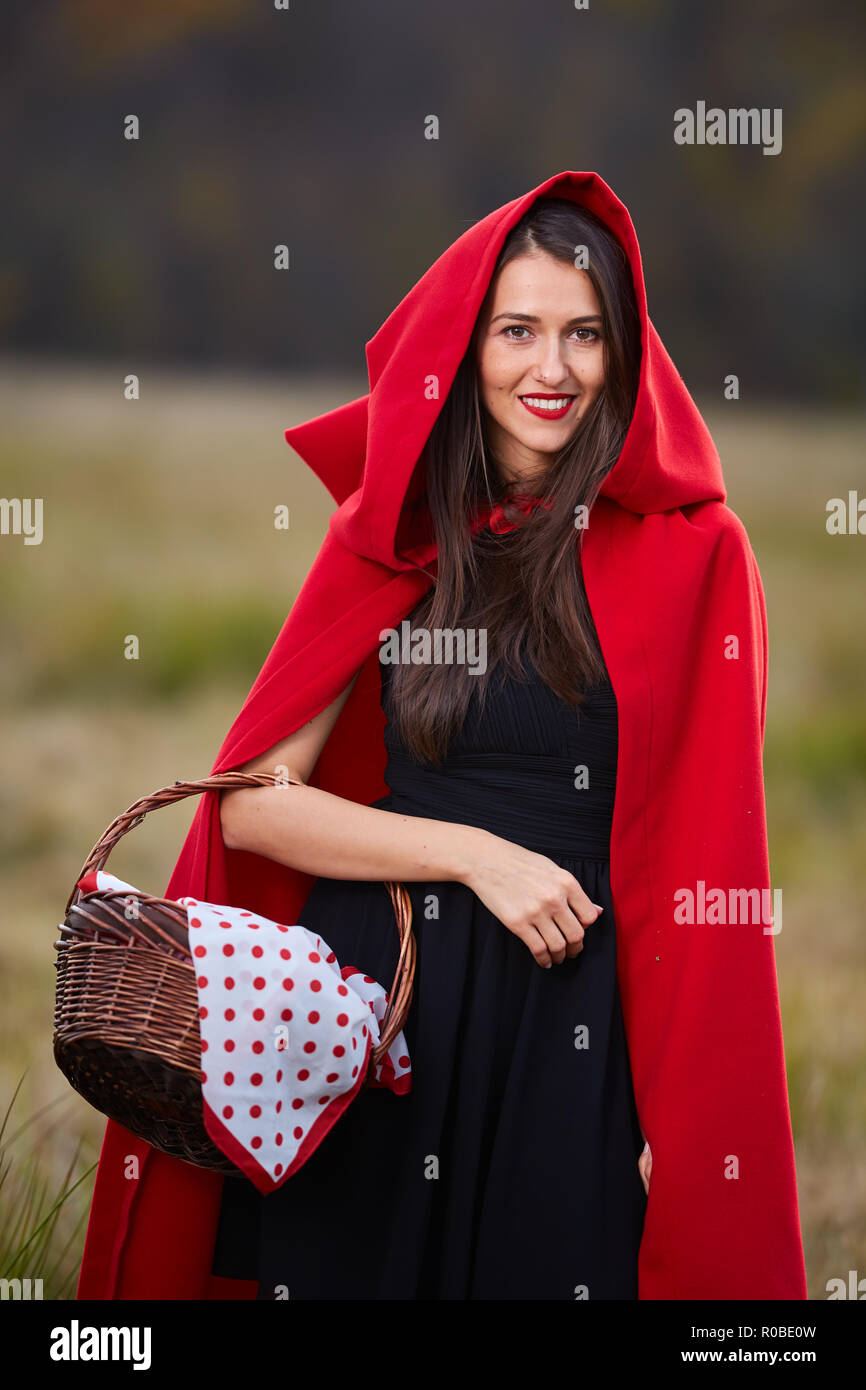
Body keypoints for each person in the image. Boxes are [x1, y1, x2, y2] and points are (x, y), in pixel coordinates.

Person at [75, 170, 807, 1301]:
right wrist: (475, 853)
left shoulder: (694, 555)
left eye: (584, 335)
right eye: (516, 330)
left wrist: (680, 1114)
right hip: (386, 1017)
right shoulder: (392, 532)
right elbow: (252, 799)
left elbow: (711, 861)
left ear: (626, 358)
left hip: (570, 1028)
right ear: (467, 345)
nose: (549, 369)